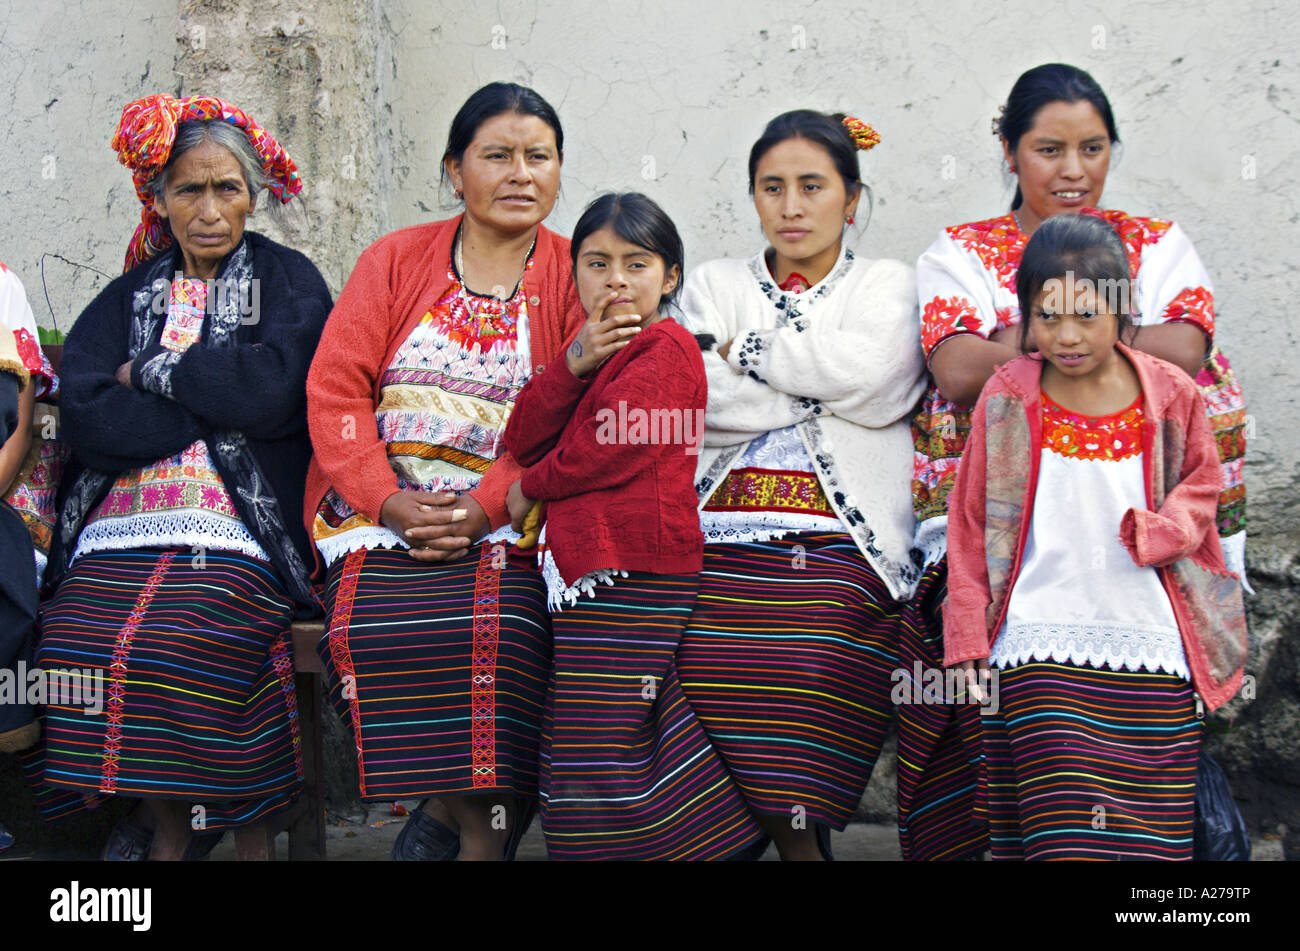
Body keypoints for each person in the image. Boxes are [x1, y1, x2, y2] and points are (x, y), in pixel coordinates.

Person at [902, 62, 1249, 860]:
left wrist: (1018, 334)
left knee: (1145, 826)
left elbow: (1187, 348)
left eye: (1093, 148)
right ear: (1008, 149)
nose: (1072, 170)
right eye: (1048, 148)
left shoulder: (1158, 243)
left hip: (1146, 605)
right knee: (1050, 816)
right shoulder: (961, 254)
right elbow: (955, 368)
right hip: (1030, 579)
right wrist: (1072, 332)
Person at [31, 93, 332, 860]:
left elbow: (275, 388)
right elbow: (91, 415)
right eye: (188, 189)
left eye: (226, 187)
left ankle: (249, 829)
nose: (208, 208)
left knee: (185, 637)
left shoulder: (287, 279)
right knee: (75, 640)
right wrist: (212, 398)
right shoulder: (129, 293)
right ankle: (168, 825)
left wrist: (157, 371)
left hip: (237, 531)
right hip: (117, 533)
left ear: (252, 197)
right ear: (159, 199)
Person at [306, 82, 585, 861]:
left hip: (514, 522)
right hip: (381, 513)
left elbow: (571, 420)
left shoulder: (573, 273)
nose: (521, 173)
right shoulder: (394, 259)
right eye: (497, 155)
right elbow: (335, 389)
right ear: (454, 172)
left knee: (509, 638)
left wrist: (485, 507)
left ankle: (468, 833)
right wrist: (390, 501)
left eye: (540, 156)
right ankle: (457, 820)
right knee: (377, 629)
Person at [679, 110, 925, 860]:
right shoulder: (715, 281)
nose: (791, 206)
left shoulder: (888, 283)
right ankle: (739, 836)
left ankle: (797, 846)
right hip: (717, 534)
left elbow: (878, 382)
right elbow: (694, 398)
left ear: (851, 199)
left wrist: (744, 348)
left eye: (812, 186)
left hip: (839, 545)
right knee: (686, 639)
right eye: (772, 187)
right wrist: (821, 382)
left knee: (805, 641)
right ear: (753, 197)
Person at [504, 192, 746, 859]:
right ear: (574, 272)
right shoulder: (594, 351)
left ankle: (706, 839)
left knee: (593, 742)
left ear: (669, 278)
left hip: (636, 567)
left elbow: (610, 445)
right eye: (596, 262)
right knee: (603, 735)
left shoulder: (665, 347)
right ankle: (708, 838)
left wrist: (530, 489)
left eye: (636, 264)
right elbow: (523, 434)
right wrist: (574, 359)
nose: (614, 279)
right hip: (594, 572)